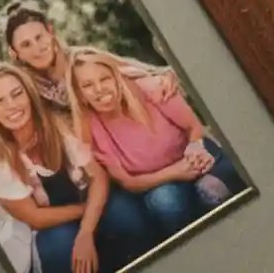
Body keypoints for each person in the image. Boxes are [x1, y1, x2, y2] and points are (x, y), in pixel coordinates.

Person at [0, 63, 156, 273]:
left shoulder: (56, 126)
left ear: (29, 94)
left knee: (125, 215)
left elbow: (98, 178)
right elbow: (35, 218)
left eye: (17, 94)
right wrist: (86, 212)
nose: (12, 105)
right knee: (61, 247)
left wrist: (86, 229)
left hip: (91, 200)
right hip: (53, 225)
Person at [67, 47, 245, 240]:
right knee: (165, 202)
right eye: (88, 85)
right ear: (80, 95)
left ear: (116, 76)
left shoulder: (150, 88)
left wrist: (195, 149)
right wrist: (176, 172)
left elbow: (193, 127)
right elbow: (129, 182)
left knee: (211, 190)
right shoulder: (92, 128)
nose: (100, 89)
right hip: (161, 183)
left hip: (201, 159)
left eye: (104, 79)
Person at [2, 3, 178, 113]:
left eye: (39, 37)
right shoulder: (26, 85)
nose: (37, 49)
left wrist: (164, 76)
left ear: (50, 32)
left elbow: (137, 70)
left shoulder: (81, 58)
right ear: (14, 52)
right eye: (26, 45)